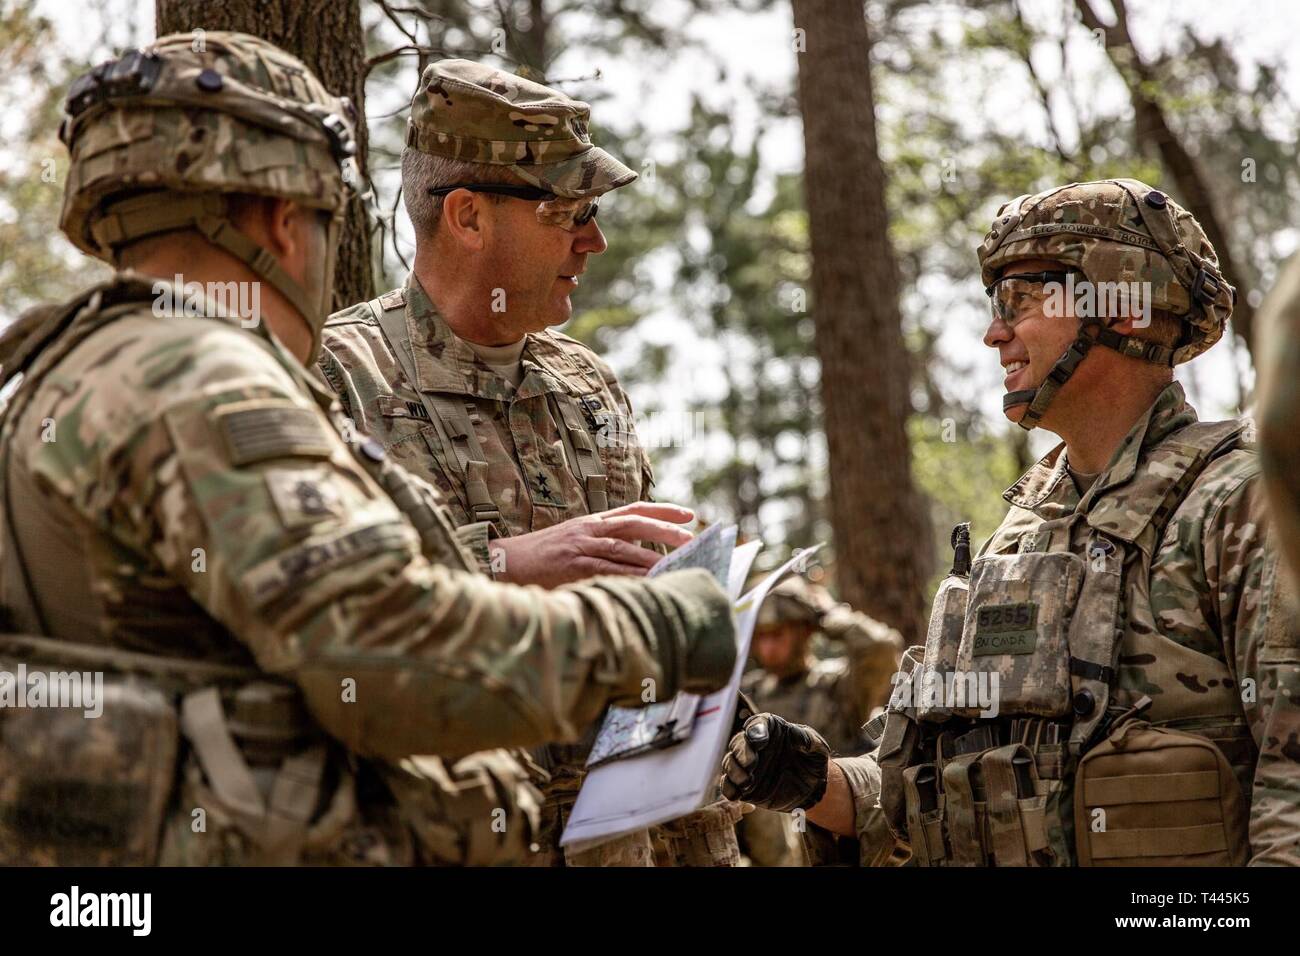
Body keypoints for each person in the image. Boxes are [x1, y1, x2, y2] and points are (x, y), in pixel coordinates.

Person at [0, 31, 736, 867]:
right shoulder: (203, 375)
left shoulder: (65, 372)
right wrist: (659, 627)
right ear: (285, 221)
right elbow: (385, 649)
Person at [722, 179, 1300, 866]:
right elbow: (912, 795)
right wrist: (809, 780)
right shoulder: (1014, 540)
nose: (995, 331)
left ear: (1125, 307)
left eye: (1020, 300)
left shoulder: (1240, 506)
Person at [318, 60, 742, 867]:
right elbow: (318, 612)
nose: (595, 240)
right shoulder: (337, 379)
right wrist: (503, 563)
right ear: (469, 217)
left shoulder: (587, 381)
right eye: (566, 213)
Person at [738, 575, 902, 865]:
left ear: (804, 631)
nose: (768, 648)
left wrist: (826, 614)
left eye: (778, 634)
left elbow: (880, 649)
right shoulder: (746, 697)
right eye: (760, 636)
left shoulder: (836, 688)